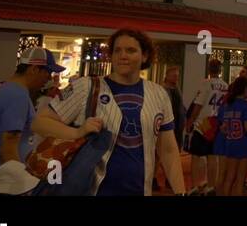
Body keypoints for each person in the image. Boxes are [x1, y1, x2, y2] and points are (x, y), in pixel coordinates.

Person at [32, 29, 187, 196]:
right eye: (117, 50)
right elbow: (40, 122)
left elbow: (168, 150)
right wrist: (77, 132)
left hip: (140, 190)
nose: (123, 55)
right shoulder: (86, 87)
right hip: (91, 189)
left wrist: (181, 192)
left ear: (145, 56)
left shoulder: (158, 94)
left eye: (131, 50)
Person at [0, 48, 66, 194]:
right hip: (0, 186)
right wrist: (21, 185)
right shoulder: (17, 95)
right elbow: (8, 147)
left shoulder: (4, 89)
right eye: (47, 73)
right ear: (34, 69)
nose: (49, 79)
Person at [186, 59, 227, 196]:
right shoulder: (225, 86)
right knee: (212, 156)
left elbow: (198, 104)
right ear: (220, 70)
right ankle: (211, 186)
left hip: (203, 124)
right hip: (216, 123)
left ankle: (195, 186)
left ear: (209, 69)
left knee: (196, 156)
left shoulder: (206, 84)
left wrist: (190, 121)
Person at [215, 77, 247, 196]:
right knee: (240, 180)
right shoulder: (246, 105)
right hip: (243, 143)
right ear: (246, 89)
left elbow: (222, 126)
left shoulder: (226, 104)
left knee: (229, 177)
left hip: (230, 142)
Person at [162, 66, 186, 150]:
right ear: (167, 76)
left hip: (178, 125)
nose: (176, 78)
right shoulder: (162, 90)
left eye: (177, 76)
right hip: (167, 123)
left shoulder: (177, 90)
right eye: (174, 76)